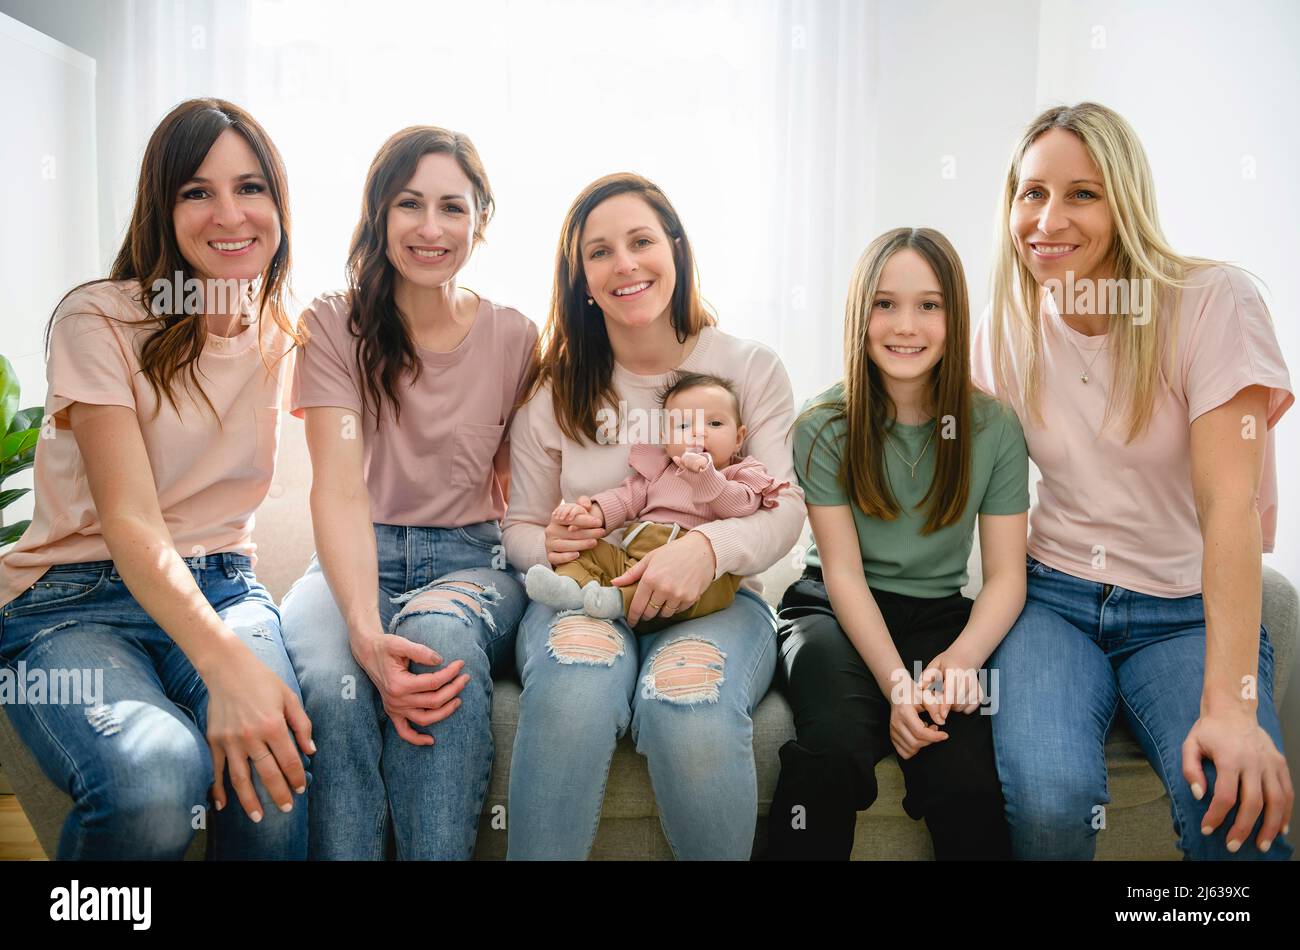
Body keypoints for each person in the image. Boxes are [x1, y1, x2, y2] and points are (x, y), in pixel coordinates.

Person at [975, 101, 1294, 859]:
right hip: (1050, 601)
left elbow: (1229, 507)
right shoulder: (1006, 329)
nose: (1049, 219)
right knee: (1051, 803)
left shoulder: (1212, 303)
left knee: (1237, 808)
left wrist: (1230, 708)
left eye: (1083, 193)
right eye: (1032, 192)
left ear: (1126, 201)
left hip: (1183, 607)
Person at [0, 98, 309, 859]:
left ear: (279, 203)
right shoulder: (98, 320)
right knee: (153, 779)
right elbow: (132, 522)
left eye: (251, 187)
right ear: (161, 209)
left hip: (226, 585)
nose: (230, 213)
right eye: (196, 192)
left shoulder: (282, 332)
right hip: (75, 601)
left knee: (277, 782)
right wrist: (227, 665)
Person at [502, 172, 806, 859]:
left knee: (685, 706)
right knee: (577, 684)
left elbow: (786, 515)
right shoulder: (554, 389)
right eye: (600, 251)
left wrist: (704, 551)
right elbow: (518, 526)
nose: (625, 264)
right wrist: (546, 543)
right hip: (586, 592)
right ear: (580, 278)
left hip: (717, 602)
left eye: (641, 240)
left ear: (676, 248)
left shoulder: (749, 367)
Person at [279, 126, 535, 860]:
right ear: (378, 215)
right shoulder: (332, 324)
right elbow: (337, 490)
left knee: (438, 649)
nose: (431, 228)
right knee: (332, 687)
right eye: (409, 205)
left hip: (471, 560)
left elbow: (524, 490)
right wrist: (362, 629)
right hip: (354, 556)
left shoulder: (516, 337)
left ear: (480, 220)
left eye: (452, 207)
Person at [765, 227, 1027, 860]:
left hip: (939, 618)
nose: (905, 325)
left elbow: (1006, 580)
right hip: (833, 610)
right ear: (862, 314)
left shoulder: (993, 426)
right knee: (830, 751)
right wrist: (897, 687)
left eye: (928, 305)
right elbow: (844, 577)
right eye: (885, 304)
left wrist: (957, 663)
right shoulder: (823, 423)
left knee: (965, 783)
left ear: (953, 316)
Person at [524, 370, 787, 633]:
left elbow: (742, 505)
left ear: (739, 438)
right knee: (586, 550)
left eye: (715, 424)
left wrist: (708, 477)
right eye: (684, 426)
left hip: (696, 574)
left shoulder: (739, 473)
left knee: (710, 591)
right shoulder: (659, 470)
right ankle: (570, 588)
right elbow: (624, 498)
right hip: (634, 557)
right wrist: (590, 514)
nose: (699, 434)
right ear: (666, 439)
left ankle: (616, 601)